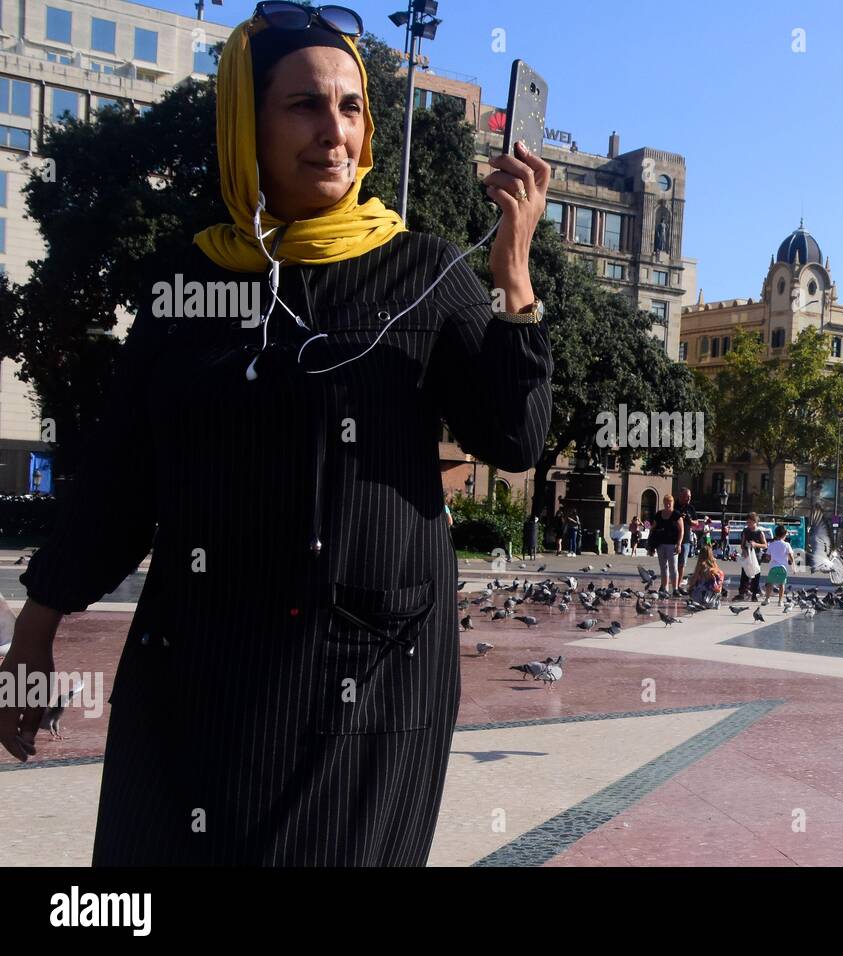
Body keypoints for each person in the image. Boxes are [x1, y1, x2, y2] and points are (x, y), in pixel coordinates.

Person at [0, 5, 553, 865]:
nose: (334, 133)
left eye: (351, 107)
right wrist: (33, 636)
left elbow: (515, 436)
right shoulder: (187, 284)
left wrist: (513, 276)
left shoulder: (424, 269)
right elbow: (120, 480)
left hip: (370, 675)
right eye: (303, 105)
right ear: (244, 123)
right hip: (198, 668)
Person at [652, 494, 684, 596]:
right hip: (660, 544)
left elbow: (681, 531)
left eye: (669, 503)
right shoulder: (659, 514)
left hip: (672, 544)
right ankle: (664, 588)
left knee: (673, 567)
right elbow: (653, 528)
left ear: (673, 503)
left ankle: (675, 589)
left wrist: (679, 544)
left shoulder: (676, 515)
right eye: (666, 502)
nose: (668, 505)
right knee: (663, 567)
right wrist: (651, 544)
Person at [737, 512, 768, 601]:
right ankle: (742, 592)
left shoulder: (759, 532)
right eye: (747, 522)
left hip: (756, 557)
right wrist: (744, 550)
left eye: (750, 522)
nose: (748, 524)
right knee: (744, 574)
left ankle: (754, 593)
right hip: (747, 556)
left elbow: (765, 545)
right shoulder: (745, 531)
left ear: (755, 522)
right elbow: (742, 544)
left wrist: (756, 544)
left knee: (756, 574)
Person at [674, 487, 700, 582]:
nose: (689, 499)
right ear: (681, 496)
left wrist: (690, 520)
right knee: (672, 563)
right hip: (673, 538)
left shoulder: (690, 508)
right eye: (687, 496)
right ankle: (671, 583)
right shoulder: (674, 505)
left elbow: (697, 522)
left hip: (685, 539)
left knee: (681, 564)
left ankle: (678, 584)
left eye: (690, 496)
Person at [764, 524, 793, 605]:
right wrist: (793, 565)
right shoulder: (787, 544)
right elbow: (790, 556)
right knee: (782, 584)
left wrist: (772, 559)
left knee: (770, 583)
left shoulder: (771, 544)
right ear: (784, 535)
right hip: (783, 568)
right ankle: (780, 601)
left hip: (773, 567)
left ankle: (767, 599)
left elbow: (768, 557)